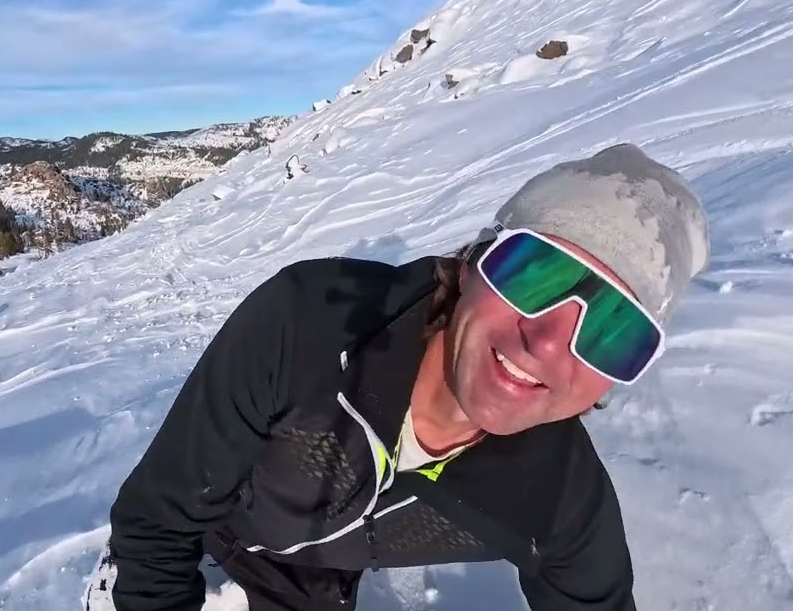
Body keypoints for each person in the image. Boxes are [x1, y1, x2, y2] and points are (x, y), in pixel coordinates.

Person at [90, 143, 710, 611]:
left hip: (310, 586)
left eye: (612, 333)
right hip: (199, 537)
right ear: (470, 265)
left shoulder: (560, 499)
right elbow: (158, 524)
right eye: (536, 275)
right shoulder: (310, 322)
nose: (546, 342)